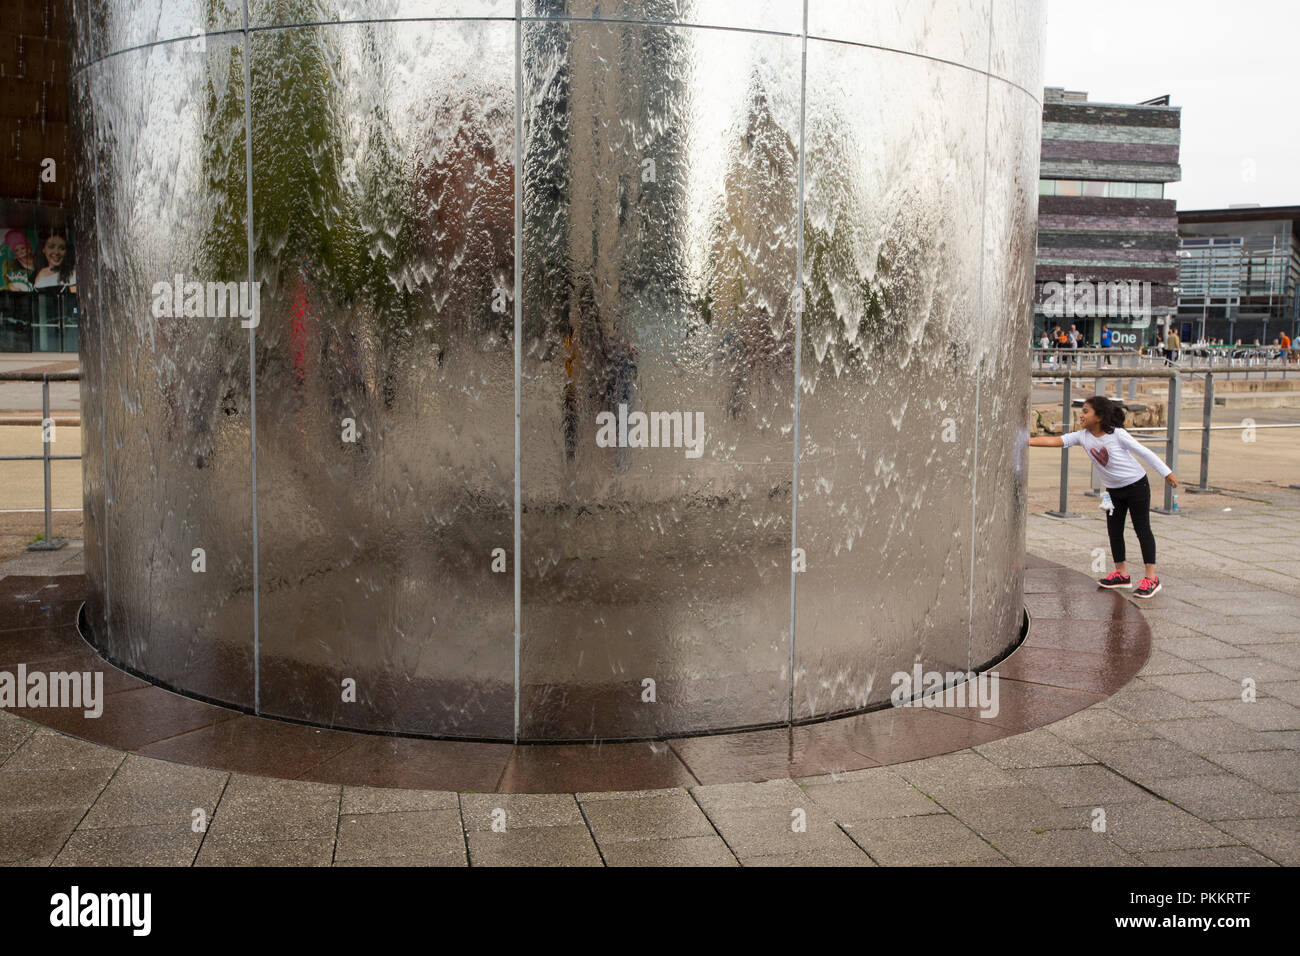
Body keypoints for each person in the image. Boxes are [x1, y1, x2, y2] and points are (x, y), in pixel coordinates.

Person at [1028, 395, 1178, 598]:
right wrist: (1026, 441)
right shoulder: (1082, 436)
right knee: (1114, 530)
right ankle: (1122, 574)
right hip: (1113, 491)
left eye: (1086, 411)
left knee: (1142, 529)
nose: (1081, 415)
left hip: (1137, 486)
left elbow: (1144, 453)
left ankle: (1151, 578)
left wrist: (1166, 473)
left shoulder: (1118, 435)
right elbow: (1055, 440)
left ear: (1099, 417)